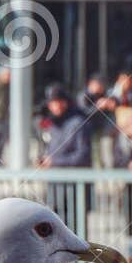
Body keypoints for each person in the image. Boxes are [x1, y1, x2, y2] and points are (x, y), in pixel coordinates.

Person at [37, 83, 96, 230]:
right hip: (56, 188)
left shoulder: (79, 122)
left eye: (58, 101)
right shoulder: (52, 124)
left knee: (76, 233)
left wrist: (54, 162)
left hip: (76, 189)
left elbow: (83, 156)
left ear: (66, 102)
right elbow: (51, 150)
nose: (55, 106)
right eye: (52, 103)